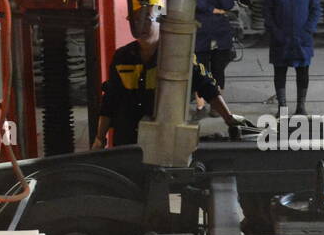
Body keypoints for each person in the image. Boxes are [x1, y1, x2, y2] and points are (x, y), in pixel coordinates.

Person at [92, 10, 244, 148]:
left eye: (147, 20)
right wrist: (99, 138)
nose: (140, 26)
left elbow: (207, 88)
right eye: (136, 21)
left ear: (160, 22)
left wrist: (229, 119)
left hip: (165, 137)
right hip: (127, 139)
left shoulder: (177, 56)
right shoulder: (122, 56)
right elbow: (110, 99)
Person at [263, 0, 320, 116]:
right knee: (280, 72)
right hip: (280, 39)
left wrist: (308, 30)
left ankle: (301, 107)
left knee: (303, 72)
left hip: (302, 39)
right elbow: (267, 13)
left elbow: (316, 9)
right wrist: (276, 32)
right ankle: (282, 108)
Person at [195, 0, 236, 89]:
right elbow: (197, 3)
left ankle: (217, 103)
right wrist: (214, 9)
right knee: (200, 69)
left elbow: (228, 5)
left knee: (218, 70)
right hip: (201, 34)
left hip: (220, 35)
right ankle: (200, 105)